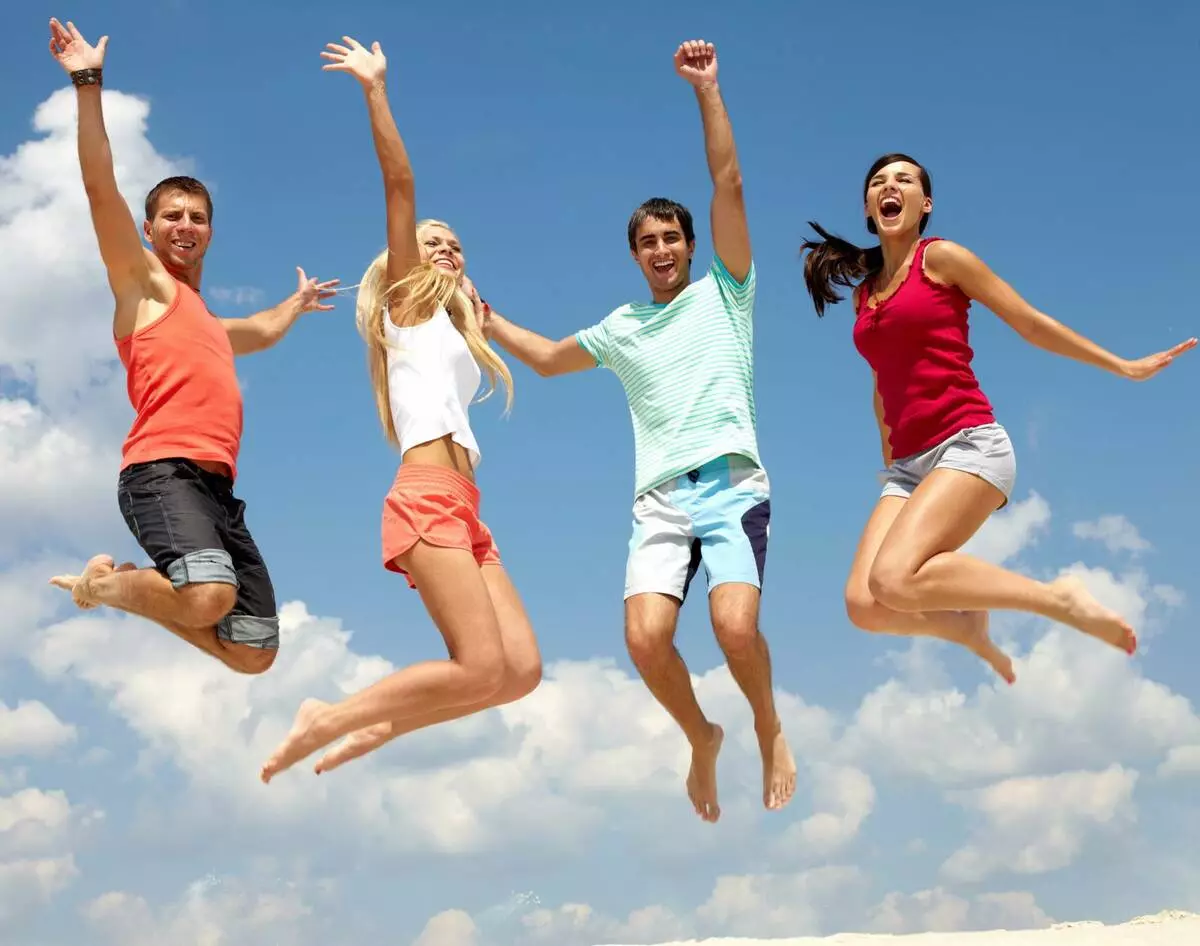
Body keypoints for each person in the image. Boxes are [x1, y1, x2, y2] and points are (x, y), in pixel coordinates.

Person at [484, 40, 793, 824]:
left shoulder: (727, 292)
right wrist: (482, 317)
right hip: (659, 500)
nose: (661, 250)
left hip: (729, 483)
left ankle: (768, 720)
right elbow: (552, 361)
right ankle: (702, 734)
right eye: (647, 242)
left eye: (671, 238)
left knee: (732, 626)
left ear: (692, 247)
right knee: (646, 640)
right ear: (635, 255)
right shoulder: (623, 326)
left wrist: (707, 90)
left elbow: (728, 181)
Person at [800, 152, 1196, 683]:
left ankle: (1056, 598)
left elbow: (1028, 322)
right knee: (863, 604)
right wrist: (890, 454)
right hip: (908, 466)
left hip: (969, 445)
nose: (889, 187)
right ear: (869, 209)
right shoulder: (866, 297)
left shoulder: (941, 259)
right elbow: (882, 379)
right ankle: (965, 630)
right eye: (878, 183)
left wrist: (1121, 366)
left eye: (904, 181)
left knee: (893, 578)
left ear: (925, 204)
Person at [259, 35, 541, 782]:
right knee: (478, 662)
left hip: (466, 506)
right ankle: (332, 714)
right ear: (406, 259)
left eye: (456, 243)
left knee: (518, 673)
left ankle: (379, 725)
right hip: (425, 501)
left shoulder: (451, 328)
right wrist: (375, 90)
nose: (447, 247)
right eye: (432, 241)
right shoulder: (404, 309)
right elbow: (400, 185)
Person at [45, 18, 339, 674]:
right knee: (208, 596)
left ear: (210, 233)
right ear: (148, 230)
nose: (185, 224)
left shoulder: (204, 319)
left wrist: (294, 306)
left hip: (216, 489)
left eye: (197, 217)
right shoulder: (144, 287)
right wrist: (87, 84)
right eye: (172, 215)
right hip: (161, 472)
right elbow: (99, 188)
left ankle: (121, 585)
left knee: (253, 649)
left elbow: (255, 334)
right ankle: (106, 587)